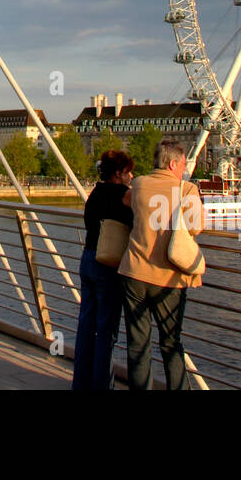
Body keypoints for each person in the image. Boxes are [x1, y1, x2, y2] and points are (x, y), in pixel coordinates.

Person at [119, 139, 204, 390]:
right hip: (168, 277)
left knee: (137, 344)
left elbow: (126, 202)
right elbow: (196, 227)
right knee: (170, 343)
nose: (185, 169)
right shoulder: (186, 189)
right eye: (184, 164)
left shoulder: (140, 183)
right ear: (173, 163)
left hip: (134, 272)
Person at [71, 149, 134, 390]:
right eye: (128, 172)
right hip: (107, 264)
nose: (131, 177)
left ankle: (81, 383)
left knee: (86, 325)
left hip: (87, 258)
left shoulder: (94, 193)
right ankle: (101, 386)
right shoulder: (124, 196)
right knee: (106, 330)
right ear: (118, 174)